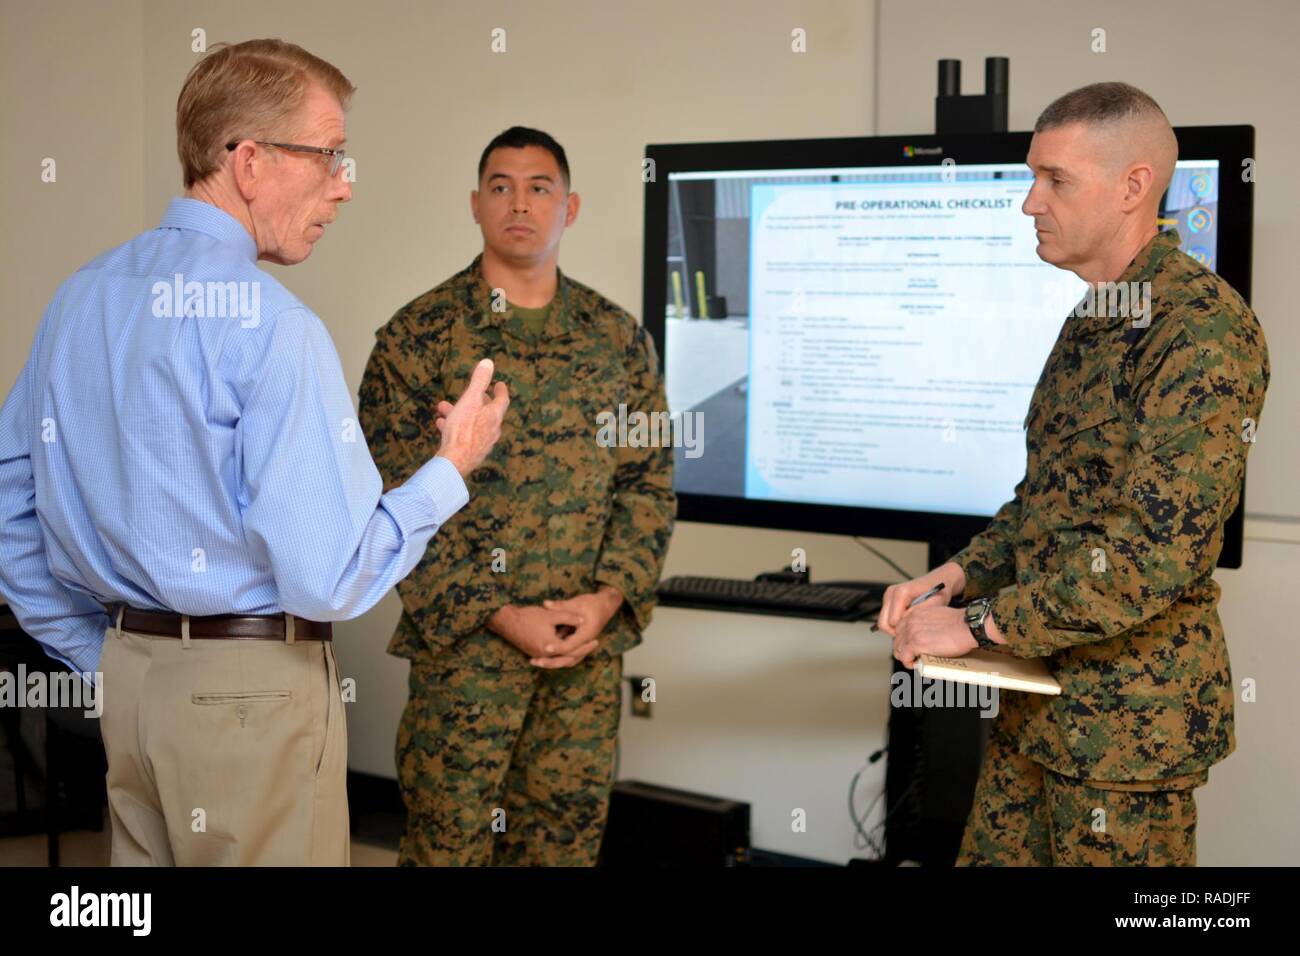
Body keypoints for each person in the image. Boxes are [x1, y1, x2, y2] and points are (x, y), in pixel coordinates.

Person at [0, 39, 508, 866]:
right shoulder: (272, 328)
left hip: (130, 688)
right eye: (330, 154)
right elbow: (330, 576)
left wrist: (108, 656)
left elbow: (7, 506)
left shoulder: (79, 300)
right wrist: (449, 471)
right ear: (249, 162)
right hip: (249, 700)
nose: (345, 185)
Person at [876, 82, 1269, 866]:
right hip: (1041, 708)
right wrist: (955, 575)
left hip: (1127, 737)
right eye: (1032, 176)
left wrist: (979, 627)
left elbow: (1151, 555)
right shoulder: (1098, 314)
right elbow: (1047, 502)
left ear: (1134, 187)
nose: (1029, 203)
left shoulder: (1200, 332)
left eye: (1054, 179)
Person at [358, 126, 676, 866]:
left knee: (561, 847)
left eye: (540, 188)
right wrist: (502, 615)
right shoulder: (418, 338)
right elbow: (395, 499)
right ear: (475, 205)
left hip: (581, 655)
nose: (520, 203)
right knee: (449, 848)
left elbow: (647, 483)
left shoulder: (618, 339)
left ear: (571, 208)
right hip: (467, 659)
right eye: (501, 186)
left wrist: (605, 601)